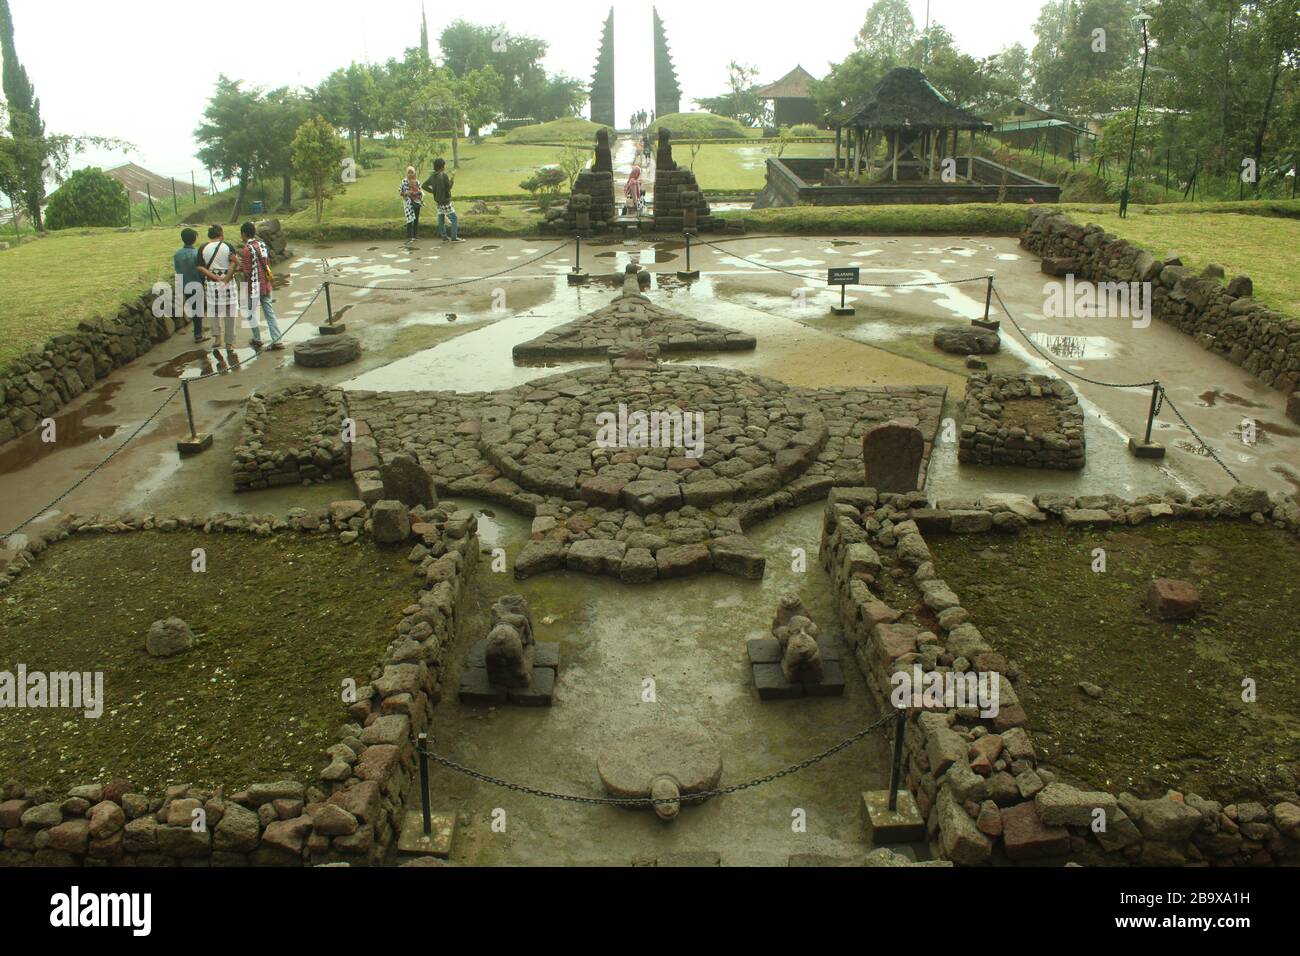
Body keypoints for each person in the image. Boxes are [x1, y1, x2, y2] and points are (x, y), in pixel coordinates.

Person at [196, 224, 239, 364]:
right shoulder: (227, 246)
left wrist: (214, 277)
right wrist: (225, 277)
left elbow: (200, 266)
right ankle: (229, 342)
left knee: (213, 311)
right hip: (227, 283)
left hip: (211, 283)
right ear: (221, 233)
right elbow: (234, 262)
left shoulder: (203, 248)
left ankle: (217, 338)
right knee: (229, 312)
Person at [239, 221, 284, 351]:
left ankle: (257, 339)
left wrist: (238, 263)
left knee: (251, 313)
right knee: (270, 313)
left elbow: (247, 271)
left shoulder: (247, 250)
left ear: (244, 234)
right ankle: (277, 340)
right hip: (265, 284)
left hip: (253, 286)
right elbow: (267, 262)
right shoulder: (262, 245)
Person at [173, 227, 207, 343]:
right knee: (198, 310)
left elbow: (177, 270)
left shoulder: (177, 254)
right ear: (194, 239)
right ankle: (198, 335)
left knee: (194, 309)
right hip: (197, 284)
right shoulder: (197, 253)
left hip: (185, 284)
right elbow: (201, 270)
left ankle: (198, 331)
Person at [424, 158, 463, 242]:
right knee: (454, 219)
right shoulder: (443, 175)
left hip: (438, 202)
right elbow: (449, 187)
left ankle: (444, 237)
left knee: (441, 219)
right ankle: (454, 237)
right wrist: (452, 177)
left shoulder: (433, 176)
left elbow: (424, 185)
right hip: (445, 201)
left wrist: (433, 192)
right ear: (442, 166)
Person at [400, 166, 423, 243]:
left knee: (416, 218)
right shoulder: (404, 181)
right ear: (406, 173)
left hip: (416, 202)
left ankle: (415, 235)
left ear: (414, 173)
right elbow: (400, 192)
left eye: (412, 172)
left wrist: (417, 193)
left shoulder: (417, 181)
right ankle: (409, 236)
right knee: (409, 219)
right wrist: (406, 193)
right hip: (408, 203)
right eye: (409, 172)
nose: (410, 174)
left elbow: (420, 191)